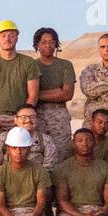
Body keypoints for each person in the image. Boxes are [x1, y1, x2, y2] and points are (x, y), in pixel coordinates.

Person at [0, 20, 39, 131]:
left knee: (24, 148)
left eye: (11, 35)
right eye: (3, 36)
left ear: (17, 38)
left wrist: (22, 118)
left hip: (22, 120)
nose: (7, 39)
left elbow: (33, 95)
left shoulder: (29, 63)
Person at [32, 27, 74, 164]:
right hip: (37, 115)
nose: (48, 45)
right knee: (39, 154)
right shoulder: (31, 66)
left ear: (56, 44)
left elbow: (67, 93)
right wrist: (57, 91)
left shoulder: (65, 65)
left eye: (51, 42)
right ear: (37, 44)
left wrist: (37, 94)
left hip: (59, 115)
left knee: (63, 154)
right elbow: (27, 93)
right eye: (43, 42)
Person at [0, 103, 57, 173]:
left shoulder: (45, 141)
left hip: (36, 181)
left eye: (32, 117)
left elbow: (49, 168)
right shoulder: (2, 139)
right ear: (15, 119)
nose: (28, 120)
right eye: (23, 117)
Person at [79, 33, 108, 141]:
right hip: (91, 130)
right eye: (103, 47)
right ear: (99, 49)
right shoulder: (90, 70)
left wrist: (98, 93)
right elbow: (88, 91)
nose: (106, 49)